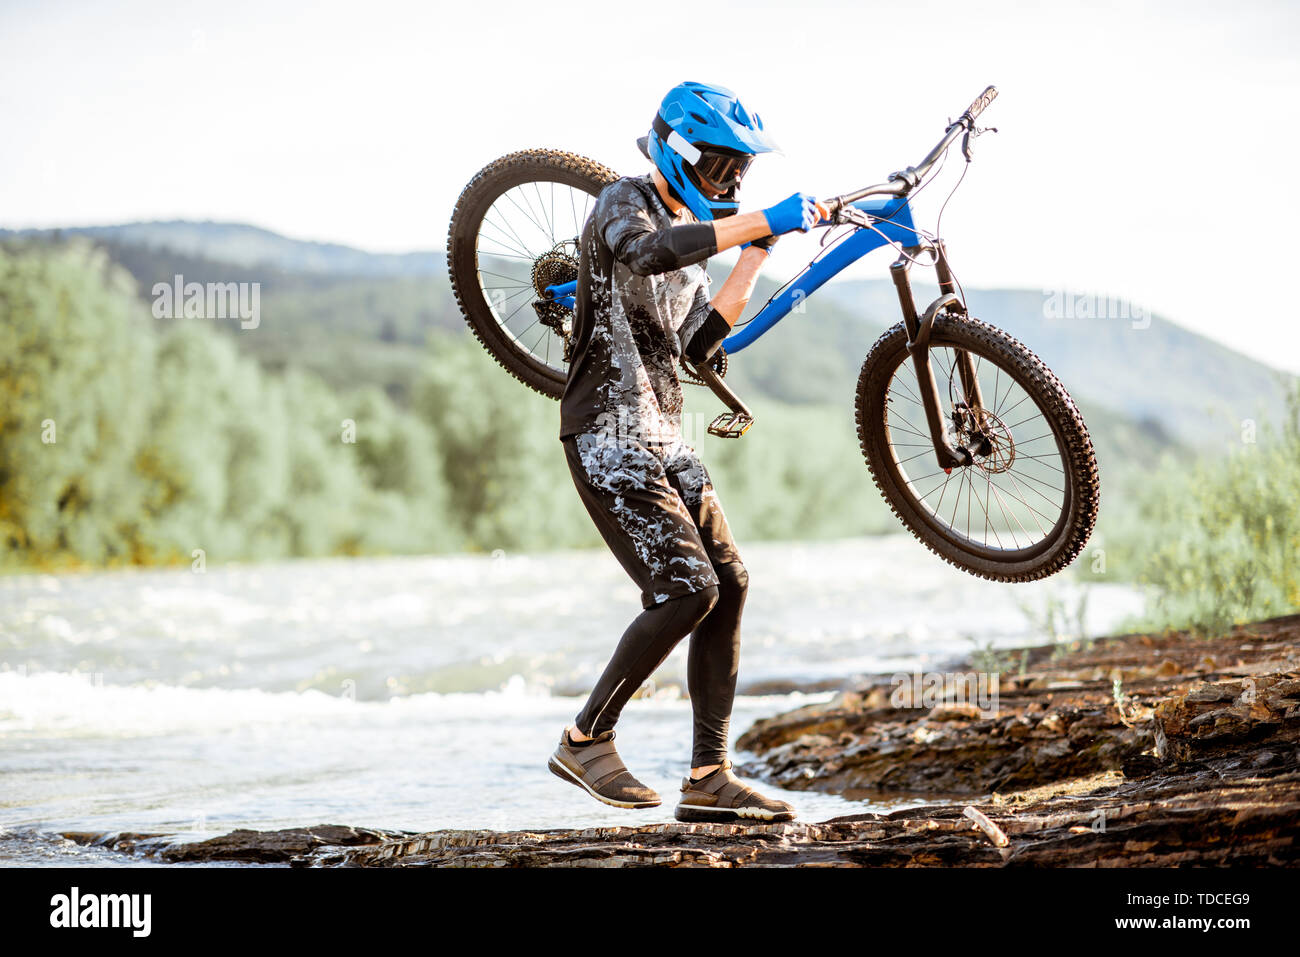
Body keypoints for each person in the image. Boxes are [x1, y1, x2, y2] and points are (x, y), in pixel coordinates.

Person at [547, 81, 827, 823]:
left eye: (740, 171)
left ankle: (708, 778)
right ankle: (586, 738)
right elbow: (649, 251)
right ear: (675, 153)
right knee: (685, 590)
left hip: (666, 431)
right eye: (717, 168)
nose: (731, 183)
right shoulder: (622, 202)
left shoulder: (699, 242)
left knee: (729, 582)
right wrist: (757, 220)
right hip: (606, 430)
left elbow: (700, 345)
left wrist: (754, 255)